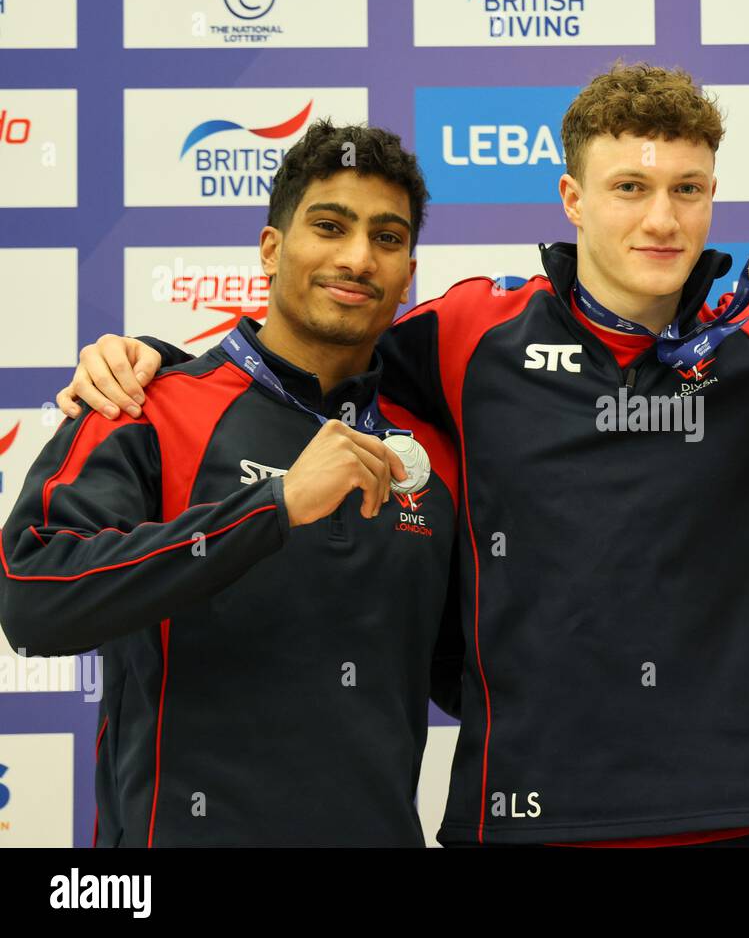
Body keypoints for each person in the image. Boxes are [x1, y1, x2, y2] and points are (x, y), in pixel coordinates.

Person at [57, 63, 749, 847]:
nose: (663, 219)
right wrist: (151, 362)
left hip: (724, 807)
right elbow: (302, 360)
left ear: (714, 195)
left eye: (688, 189)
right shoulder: (471, 332)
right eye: (629, 187)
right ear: (572, 198)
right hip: (519, 812)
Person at [0, 121, 460, 846]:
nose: (357, 257)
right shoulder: (146, 404)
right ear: (271, 249)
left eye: (388, 237)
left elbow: (478, 674)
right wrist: (272, 508)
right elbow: (33, 597)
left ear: (409, 272)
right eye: (330, 225)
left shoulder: (431, 452)